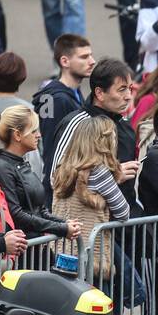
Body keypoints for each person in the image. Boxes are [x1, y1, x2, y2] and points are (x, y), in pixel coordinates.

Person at [47, 57, 139, 205]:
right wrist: (112, 178)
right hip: (89, 222)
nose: (128, 96)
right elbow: (56, 179)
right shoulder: (76, 123)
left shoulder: (124, 124)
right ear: (100, 93)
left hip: (126, 222)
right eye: (122, 89)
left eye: (130, 88)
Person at [50, 115, 131, 279]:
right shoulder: (98, 171)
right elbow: (123, 212)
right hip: (89, 257)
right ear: (104, 142)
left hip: (61, 251)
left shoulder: (62, 168)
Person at [0, 106, 80, 242]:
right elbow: (17, 214)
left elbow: (40, 209)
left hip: (34, 245)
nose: (38, 135)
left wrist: (64, 224)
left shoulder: (22, 162)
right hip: (21, 248)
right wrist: (61, 228)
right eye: (33, 131)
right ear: (17, 135)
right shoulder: (3, 167)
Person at [33, 33, 93, 174]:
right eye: (84, 57)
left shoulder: (72, 92)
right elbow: (51, 148)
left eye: (90, 55)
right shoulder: (57, 99)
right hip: (60, 183)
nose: (92, 61)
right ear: (65, 61)